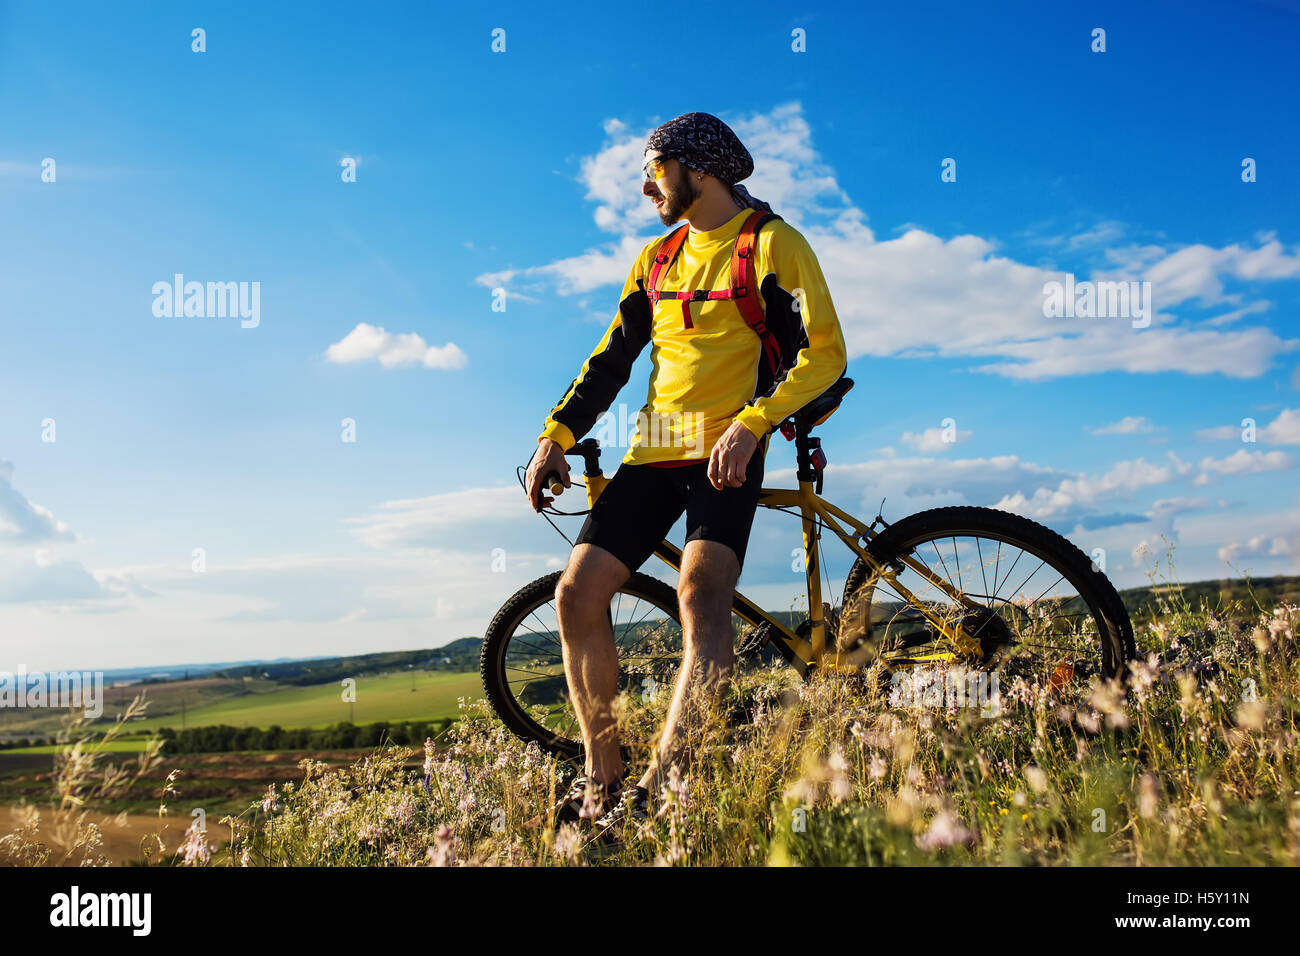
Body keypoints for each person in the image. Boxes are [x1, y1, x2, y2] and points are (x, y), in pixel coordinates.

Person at [524, 111, 848, 831]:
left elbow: (824, 353)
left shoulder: (773, 243)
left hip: (728, 445)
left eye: (653, 170)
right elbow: (611, 360)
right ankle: (603, 782)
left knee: (701, 592)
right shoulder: (655, 258)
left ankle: (663, 788)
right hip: (656, 445)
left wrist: (754, 422)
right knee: (577, 594)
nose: (646, 188)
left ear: (697, 170)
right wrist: (556, 436)